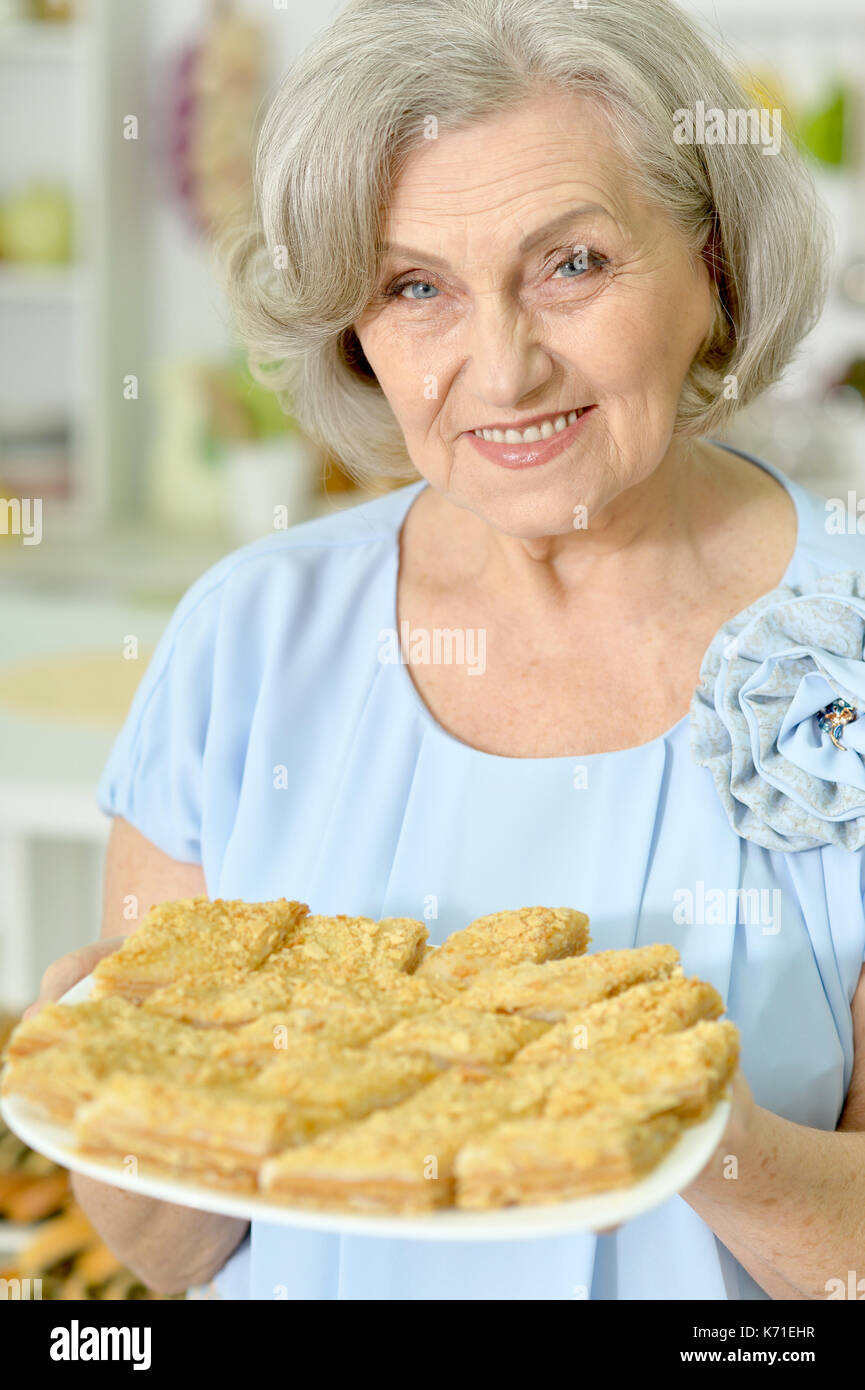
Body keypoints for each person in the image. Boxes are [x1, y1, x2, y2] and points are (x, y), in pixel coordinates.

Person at [31, 0, 865, 1299]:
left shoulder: (847, 639)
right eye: (414, 286)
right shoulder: (247, 636)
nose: (503, 368)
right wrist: (123, 1080)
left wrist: (667, 1118)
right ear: (351, 327)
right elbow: (169, 1246)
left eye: (571, 263)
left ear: (711, 266)